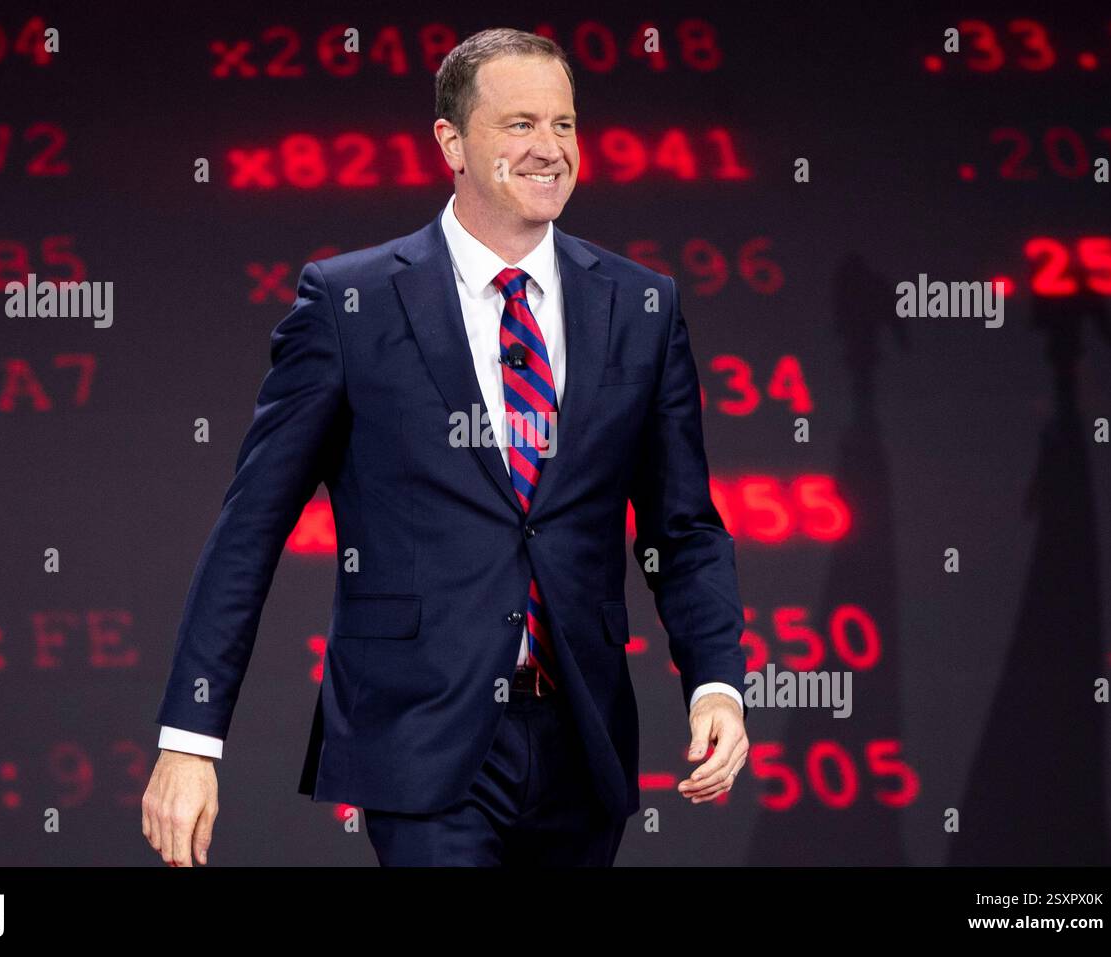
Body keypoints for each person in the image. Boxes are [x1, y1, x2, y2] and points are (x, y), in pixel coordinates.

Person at [143, 27, 748, 867]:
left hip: (583, 738)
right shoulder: (349, 302)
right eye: (520, 124)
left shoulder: (641, 306)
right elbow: (250, 528)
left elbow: (682, 526)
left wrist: (716, 681)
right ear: (451, 142)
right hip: (422, 738)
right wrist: (190, 737)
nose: (550, 149)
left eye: (565, 125)